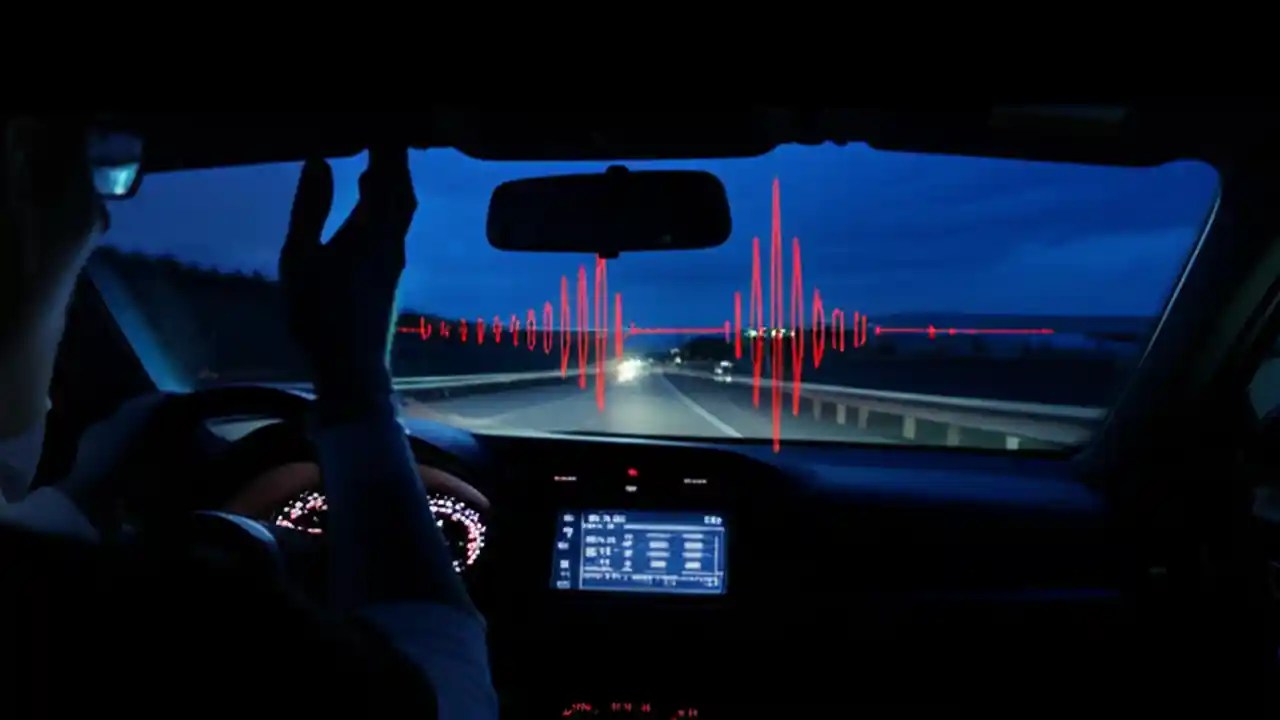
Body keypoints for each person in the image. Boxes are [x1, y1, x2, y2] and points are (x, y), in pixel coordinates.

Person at [0, 118, 496, 718]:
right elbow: (439, 683)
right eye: (93, 179)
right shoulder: (218, 633)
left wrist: (73, 503)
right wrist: (352, 376)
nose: (100, 219)